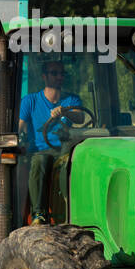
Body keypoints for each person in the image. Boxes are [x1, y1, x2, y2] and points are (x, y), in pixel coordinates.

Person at [19, 60, 82, 225]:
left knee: (78, 161)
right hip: (41, 150)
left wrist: (66, 113)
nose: (59, 77)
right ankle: (39, 214)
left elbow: (81, 117)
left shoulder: (71, 100)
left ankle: (74, 212)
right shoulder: (30, 101)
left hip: (66, 150)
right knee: (41, 160)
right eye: (54, 73)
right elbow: (18, 127)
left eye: (62, 74)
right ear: (44, 76)